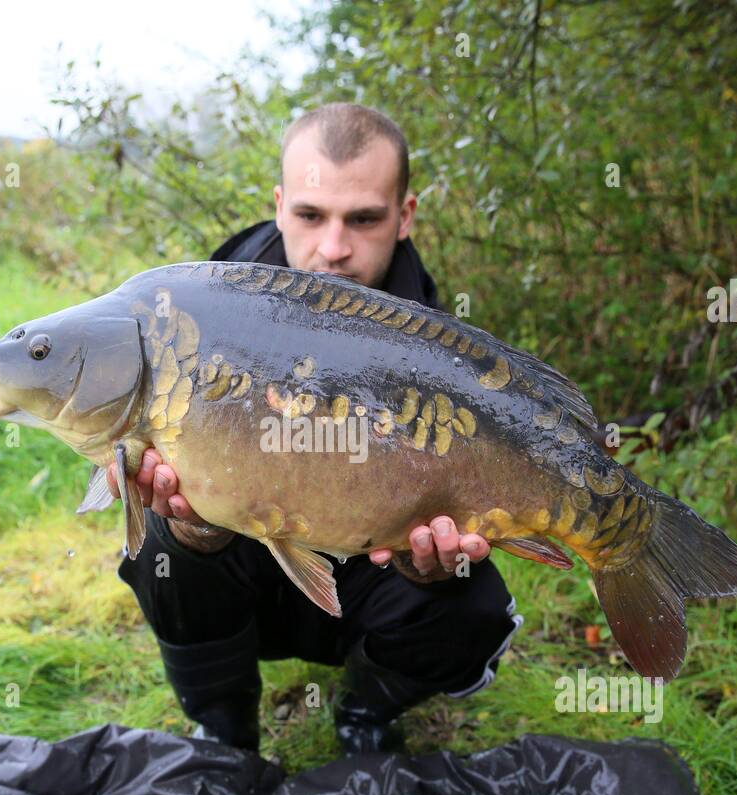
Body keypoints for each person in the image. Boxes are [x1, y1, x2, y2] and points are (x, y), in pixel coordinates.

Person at [110, 103, 523, 756]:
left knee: (471, 605)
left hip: (361, 569)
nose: (333, 248)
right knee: (160, 550)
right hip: (245, 565)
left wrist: (429, 570)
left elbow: (457, 514)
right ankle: (222, 731)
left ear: (405, 216)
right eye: (310, 215)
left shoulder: (434, 346)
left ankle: (364, 713)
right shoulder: (196, 311)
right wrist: (196, 529)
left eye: (363, 219)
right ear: (279, 206)